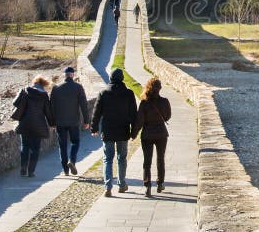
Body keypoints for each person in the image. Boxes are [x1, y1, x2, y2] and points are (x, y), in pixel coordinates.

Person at [91, 68, 137, 197]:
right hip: (123, 131)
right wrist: (134, 132)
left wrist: (94, 128)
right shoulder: (128, 93)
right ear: (122, 78)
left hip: (108, 131)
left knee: (107, 159)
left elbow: (96, 112)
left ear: (111, 78)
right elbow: (133, 114)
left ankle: (108, 187)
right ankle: (121, 184)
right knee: (122, 158)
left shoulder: (103, 93)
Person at [131, 78, 171, 196]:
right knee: (160, 159)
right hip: (161, 133)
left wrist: (133, 134)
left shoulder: (144, 103)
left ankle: (147, 186)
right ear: (160, 88)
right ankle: (160, 183)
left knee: (147, 161)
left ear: (148, 87)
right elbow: (168, 116)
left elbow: (139, 121)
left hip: (147, 134)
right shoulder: (165, 101)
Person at [50, 67, 90, 176]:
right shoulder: (78, 87)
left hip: (60, 122)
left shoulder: (56, 88)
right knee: (75, 142)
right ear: (73, 75)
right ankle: (72, 160)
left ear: (64, 75)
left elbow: (51, 106)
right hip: (74, 121)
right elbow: (84, 105)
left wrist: (52, 122)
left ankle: (65, 170)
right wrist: (86, 121)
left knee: (62, 145)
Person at [13, 75, 55, 177]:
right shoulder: (44, 95)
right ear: (43, 85)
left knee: (25, 146)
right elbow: (48, 112)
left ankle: (23, 168)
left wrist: (21, 93)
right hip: (38, 126)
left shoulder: (26, 91)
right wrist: (52, 124)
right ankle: (31, 171)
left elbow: (15, 103)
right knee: (35, 149)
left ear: (34, 82)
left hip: (24, 123)